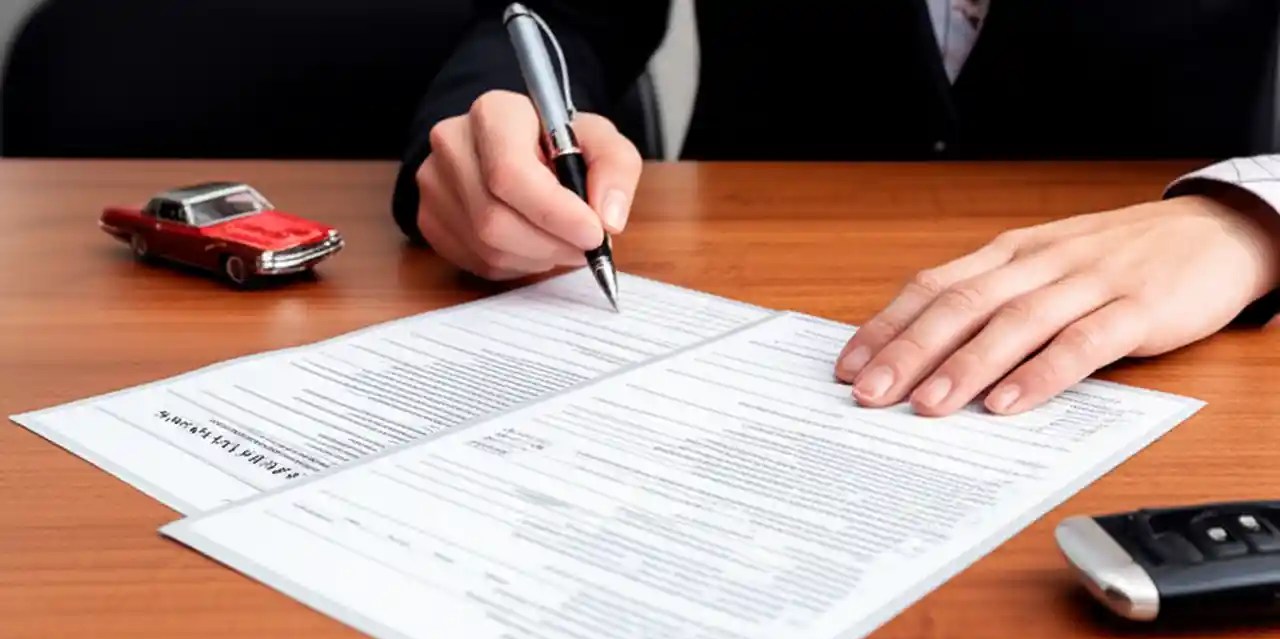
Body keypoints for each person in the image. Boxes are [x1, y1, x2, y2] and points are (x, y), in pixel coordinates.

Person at [391, 1, 1280, 417]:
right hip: (739, 272)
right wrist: (488, 136)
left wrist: (1247, 220)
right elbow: (558, 16)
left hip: (1195, 355)